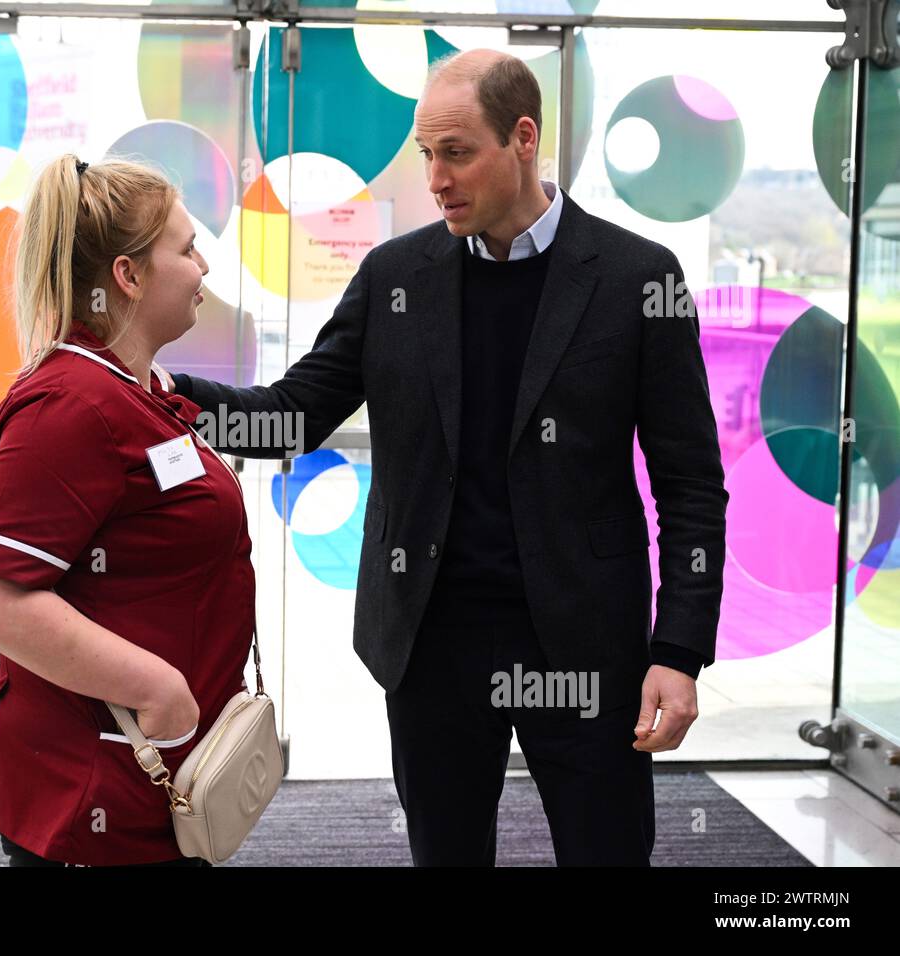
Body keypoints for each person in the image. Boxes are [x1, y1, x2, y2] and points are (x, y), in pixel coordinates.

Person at [158, 50, 728, 865]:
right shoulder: (397, 276)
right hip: (433, 642)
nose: (435, 177)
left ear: (524, 138)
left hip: (583, 642)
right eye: (427, 153)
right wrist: (162, 391)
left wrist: (678, 650)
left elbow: (691, 486)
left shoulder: (639, 279)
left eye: (456, 152)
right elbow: (292, 416)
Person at [0, 154, 256, 867]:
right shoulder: (71, 405)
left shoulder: (133, 388)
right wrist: (158, 690)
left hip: (148, 780)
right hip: (92, 793)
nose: (203, 266)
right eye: (185, 249)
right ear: (127, 275)